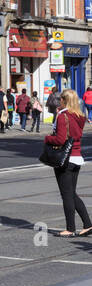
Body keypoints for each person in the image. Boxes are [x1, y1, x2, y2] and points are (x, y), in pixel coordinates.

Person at [45, 89, 92, 238]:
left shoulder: (63, 116)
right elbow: (74, 136)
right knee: (71, 193)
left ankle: (70, 228)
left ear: (64, 101)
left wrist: (47, 138)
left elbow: (60, 139)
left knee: (66, 195)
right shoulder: (79, 116)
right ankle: (88, 224)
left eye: (60, 99)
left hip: (65, 159)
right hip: (77, 157)